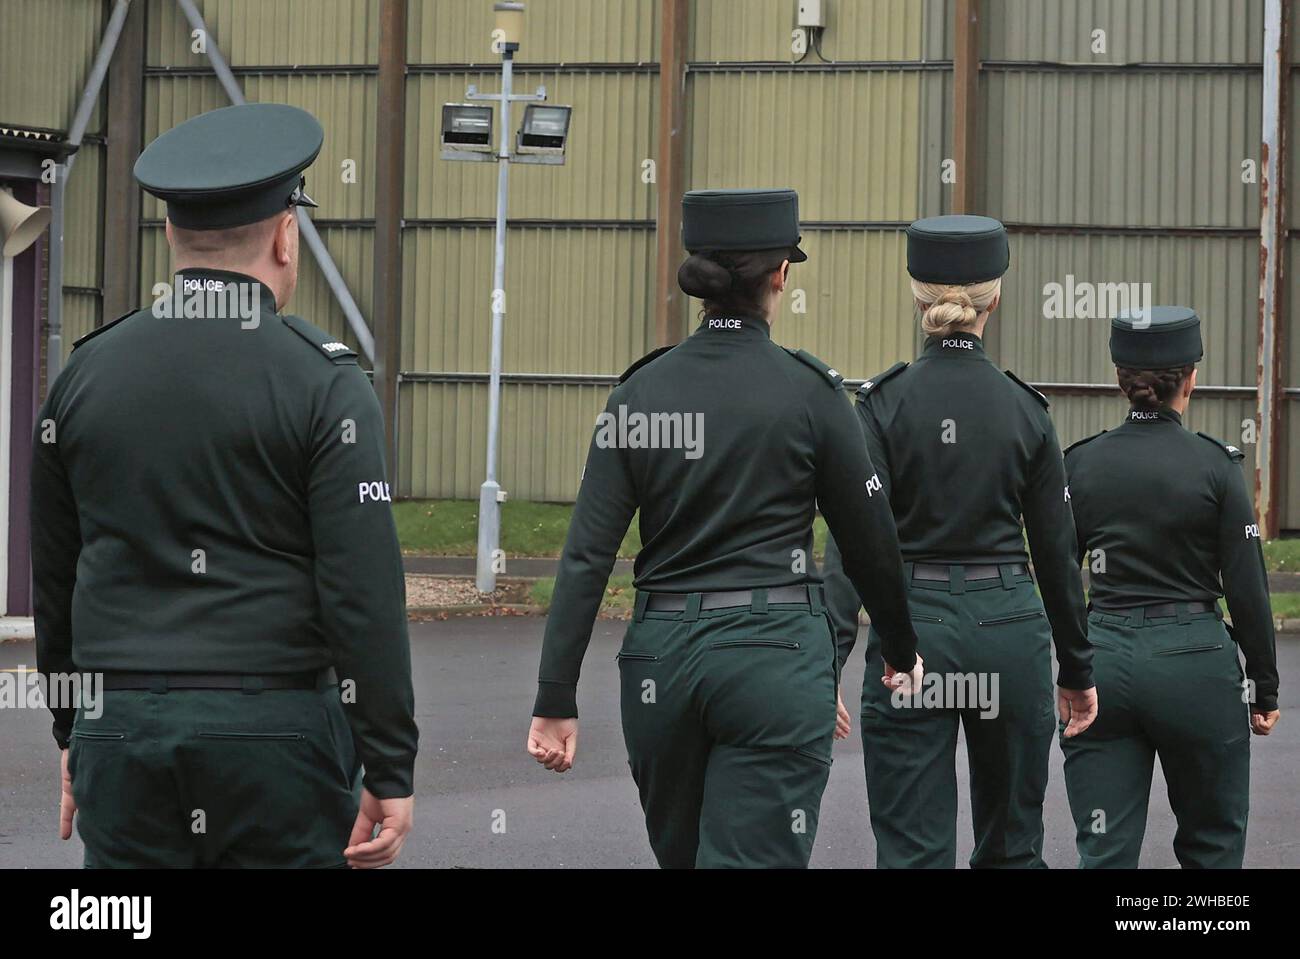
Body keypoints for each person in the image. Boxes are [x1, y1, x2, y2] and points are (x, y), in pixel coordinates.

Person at [31, 103, 418, 868]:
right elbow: (362, 590)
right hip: (274, 732)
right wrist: (390, 761)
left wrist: (74, 730)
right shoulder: (324, 383)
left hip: (121, 727)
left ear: (171, 236)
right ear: (285, 235)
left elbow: (57, 572)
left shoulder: (85, 375)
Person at [526, 188, 923, 868]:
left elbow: (588, 554)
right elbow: (868, 538)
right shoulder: (813, 394)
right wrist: (897, 644)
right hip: (774, 660)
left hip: (662, 668)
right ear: (780, 275)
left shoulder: (640, 395)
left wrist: (555, 696)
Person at [823, 214, 1097, 869]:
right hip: (1008, 630)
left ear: (916, 295)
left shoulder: (881, 405)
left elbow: (855, 541)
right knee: (1012, 847)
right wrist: (1078, 667)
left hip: (910, 639)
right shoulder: (1026, 411)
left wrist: (824, 661)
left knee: (913, 850)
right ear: (994, 298)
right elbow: (1057, 555)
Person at [1060, 307, 1280, 868]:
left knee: (1104, 848)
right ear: (1192, 379)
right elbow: (1248, 586)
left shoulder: (1079, 465)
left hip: (1102, 664)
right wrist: (1265, 686)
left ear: (1119, 380)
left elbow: (1060, 578)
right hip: (1196, 666)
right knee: (1213, 843)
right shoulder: (1216, 466)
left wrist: (1071, 669)